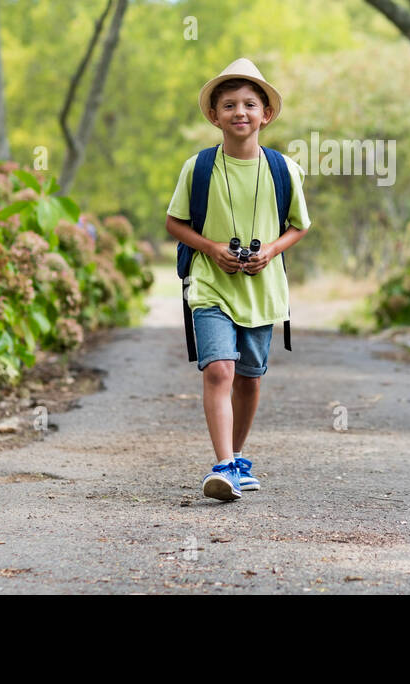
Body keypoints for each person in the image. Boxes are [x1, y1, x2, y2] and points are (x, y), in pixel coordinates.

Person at [165, 58, 311, 501]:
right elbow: (175, 222)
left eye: (250, 104)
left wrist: (269, 250)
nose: (240, 112)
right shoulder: (199, 167)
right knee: (219, 370)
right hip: (209, 285)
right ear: (214, 116)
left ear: (265, 114)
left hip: (261, 289)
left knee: (249, 376)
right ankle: (224, 464)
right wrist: (211, 249)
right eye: (228, 105)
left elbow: (299, 225)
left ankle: (237, 460)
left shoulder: (283, 169)